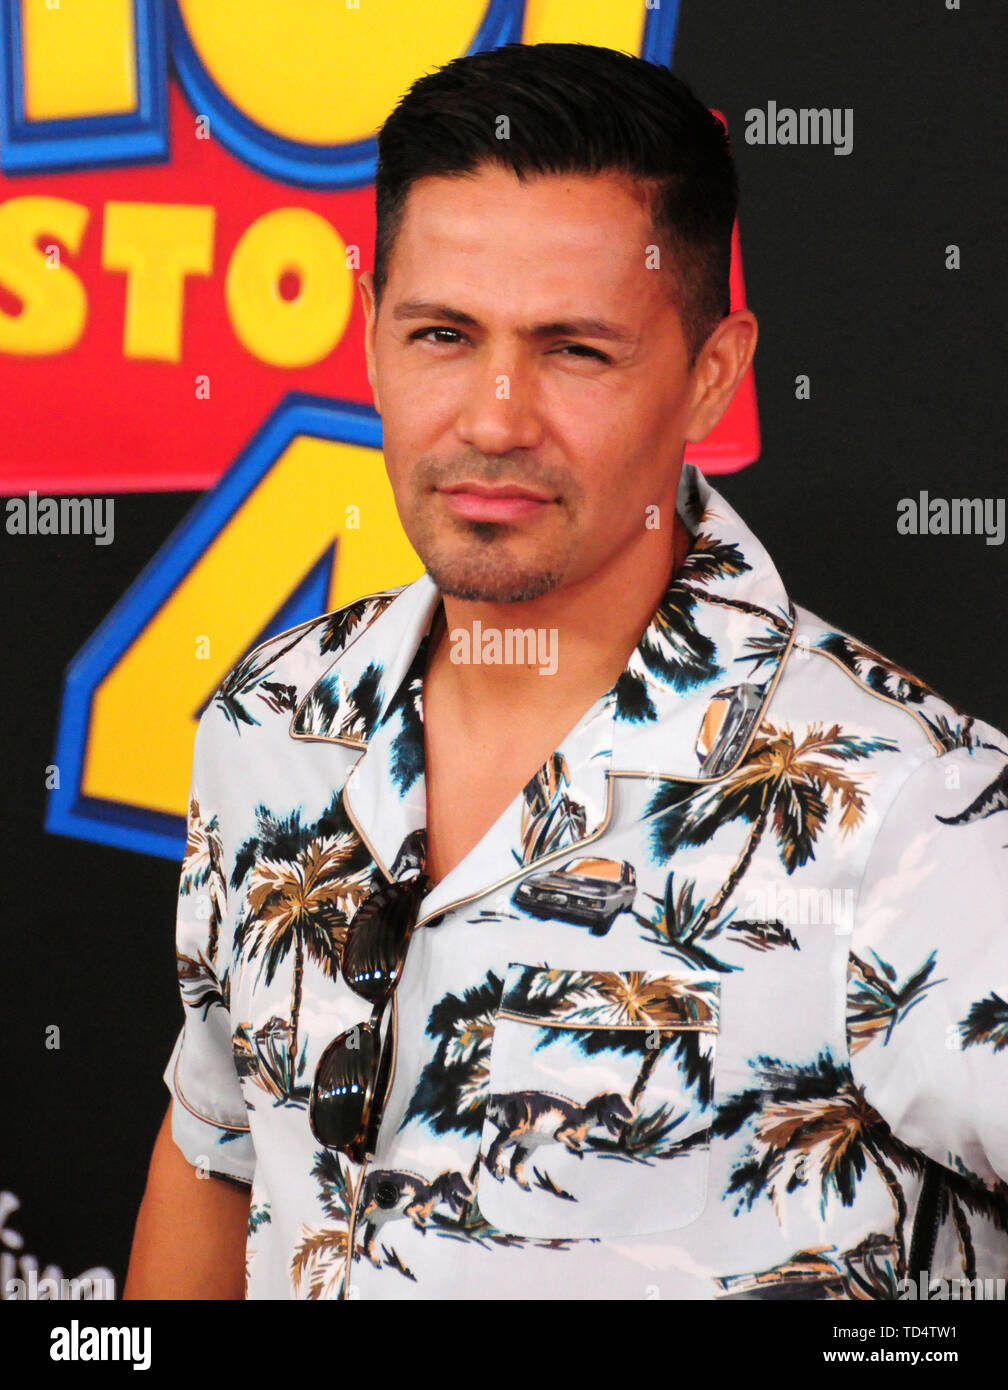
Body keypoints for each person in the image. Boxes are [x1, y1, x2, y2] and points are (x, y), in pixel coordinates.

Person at [124, 42, 1008, 1301]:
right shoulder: (273, 720)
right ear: (370, 332)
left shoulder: (909, 810)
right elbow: (215, 1151)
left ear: (712, 373)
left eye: (575, 349)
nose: (493, 417)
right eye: (441, 332)